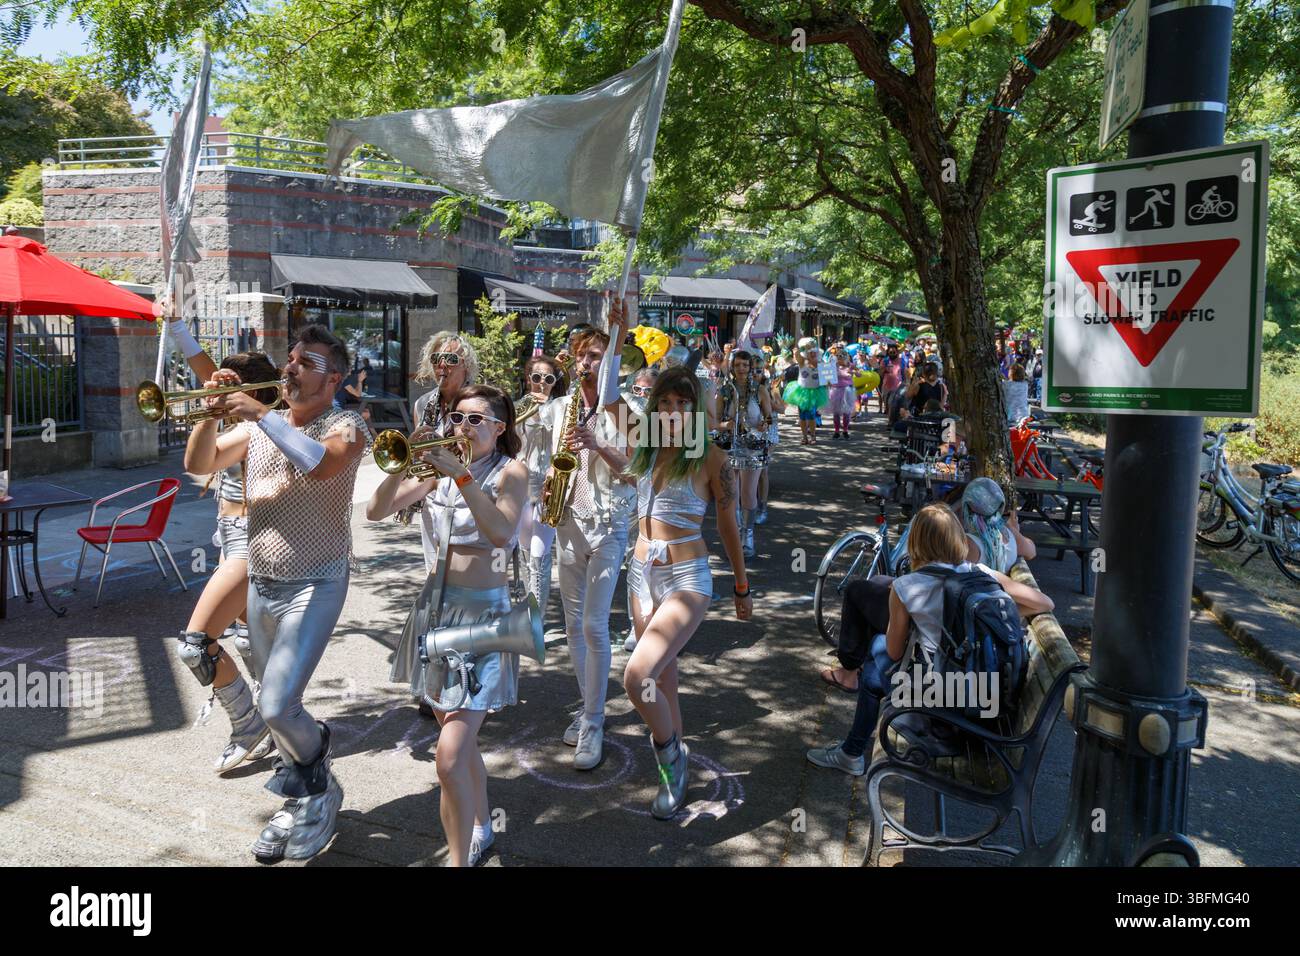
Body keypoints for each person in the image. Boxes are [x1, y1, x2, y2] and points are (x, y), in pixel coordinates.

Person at [185, 324, 368, 862]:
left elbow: (321, 465)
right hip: (263, 582)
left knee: (277, 704)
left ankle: (317, 790)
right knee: (279, 709)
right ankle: (304, 793)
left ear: (333, 378)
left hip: (317, 580)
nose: (289, 368)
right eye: (289, 359)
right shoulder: (263, 427)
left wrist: (259, 413)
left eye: (304, 362)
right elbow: (198, 465)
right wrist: (211, 412)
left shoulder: (348, 425)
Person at [600, 300, 752, 818]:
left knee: (636, 677)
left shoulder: (712, 458)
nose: (671, 411)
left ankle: (670, 752)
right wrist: (618, 334)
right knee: (663, 680)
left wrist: (741, 586)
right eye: (665, 402)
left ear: (694, 408)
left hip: (687, 576)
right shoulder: (644, 444)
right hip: (640, 574)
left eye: (682, 404)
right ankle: (674, 768)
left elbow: (729, 524)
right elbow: (603, 396)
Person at [367, 384, 528, 868]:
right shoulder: (437, 474)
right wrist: (403, 462)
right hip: (434, 613)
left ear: (499, 429)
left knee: (449, 754)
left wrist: (461, 478)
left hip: (484, 617)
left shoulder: (511, 472)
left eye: (475, 419)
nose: (460, 426)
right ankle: (480, 828)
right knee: (459, 749)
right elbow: (377, 511)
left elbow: (501, 532)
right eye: (456, 417)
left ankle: (458, 860)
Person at [807, 503, 1053, 775]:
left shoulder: (905, 587)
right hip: (992, 702)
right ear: (958, 538)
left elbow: (894, 652)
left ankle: (851, 752)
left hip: (946, 708)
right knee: (876, 667)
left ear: (916, 540)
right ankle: (850, 751)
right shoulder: (980, 572)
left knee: (876, 658)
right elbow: (1045, 603)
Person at [179, 351, 281, 773]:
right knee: (248, 638)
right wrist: (208, 414)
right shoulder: (239, 424)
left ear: (253, 390)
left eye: (229, 385)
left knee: (195, 646)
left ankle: (249, 724)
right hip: (229, 535)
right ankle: (281, 718)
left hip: (250, 542)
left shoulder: (264, 427)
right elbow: (195, 464)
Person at [543, 326, 635, 771]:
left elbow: (637, 471)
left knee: (596, 626)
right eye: (581, 356)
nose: (586, 363)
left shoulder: (627, 411)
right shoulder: (560, 408)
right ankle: (587, 709)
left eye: (596, 356)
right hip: (568, 522)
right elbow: (542, 458)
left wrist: (598, 443)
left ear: (613, 363)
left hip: (610, 525)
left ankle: (595, 721)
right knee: (574, 626)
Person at [516, 354, 566, 621]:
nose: (541, 384)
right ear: (528, 380)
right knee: (525, 553)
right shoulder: (516, 407)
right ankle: (528, 611)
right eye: (536, 378)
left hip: (547, 487)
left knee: (539, 554)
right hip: (520, 488)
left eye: (548, 379)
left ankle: (537, 619)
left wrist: (547, 410)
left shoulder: (559, 408)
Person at [717, 349, 772, 558]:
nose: (741, 369)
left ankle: (748, 536)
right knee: (731, 493)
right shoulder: (724, 391)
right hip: (729, 446)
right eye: (738, 365)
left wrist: (763, 425)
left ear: (750, 368)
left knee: (748, 493)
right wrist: (726, 424)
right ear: (732, 367)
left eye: (745, 365)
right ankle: (736, 535)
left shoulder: (760, 390)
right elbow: (714, 422)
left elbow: (769, 418)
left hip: (753, 447)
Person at [959, 477, 1036, 573]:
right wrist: (1015, 531)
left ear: (966, 507)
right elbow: (1032, 552)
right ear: (1000, 505)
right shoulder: (1009, 533)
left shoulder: (968, 543)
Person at [782, 338, 829, 445]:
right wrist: (802, 346)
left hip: (815, 392)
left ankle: (813, 436)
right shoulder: (803, 361)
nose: (812, 353)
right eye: (809, 351)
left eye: (814, 351)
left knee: (812, 415)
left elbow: (827, 377)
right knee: (802, 416)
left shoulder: (821, 362)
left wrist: (828, 382)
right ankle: (804, 436)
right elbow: (798, 354)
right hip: (801, 392)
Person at [828, 349, 856, 440]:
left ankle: (845, 430)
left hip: (847, 391)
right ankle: (836, 431)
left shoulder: (850, 365)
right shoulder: (833, 366)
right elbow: (826, 376)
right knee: (836, 413)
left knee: (846, 412)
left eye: (842, 356)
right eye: (838, 356)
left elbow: (859, 374)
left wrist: (854, 372)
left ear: (846, 357)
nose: (839, 358)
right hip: (836, 390)